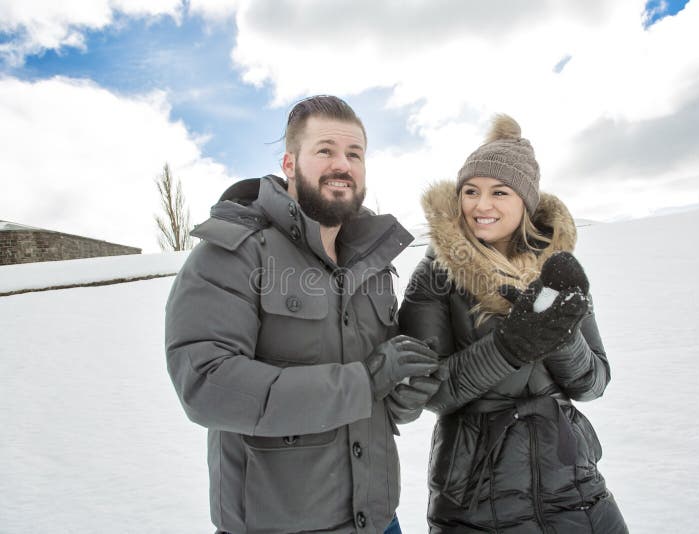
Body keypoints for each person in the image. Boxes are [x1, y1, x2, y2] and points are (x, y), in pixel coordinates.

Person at [165, 95, 442, 534]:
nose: (342, 164)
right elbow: (204, 383)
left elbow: (378, 401)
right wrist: (365, 380)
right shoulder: (233, 252)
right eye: (325, 150)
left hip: (379, 521)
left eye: (354, 154)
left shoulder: (372, 264)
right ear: (290, 163)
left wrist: (403, 392)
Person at [399, 114, 628, 533]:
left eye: (499, 192)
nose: (481, 205)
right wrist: (509, 346)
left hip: (577, 489)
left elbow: (593, 383)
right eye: (471, 191)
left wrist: (558, 333)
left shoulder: (556, 269)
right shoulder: (436, 273)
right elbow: (427, 392)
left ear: (525, 200)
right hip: (476, 500)